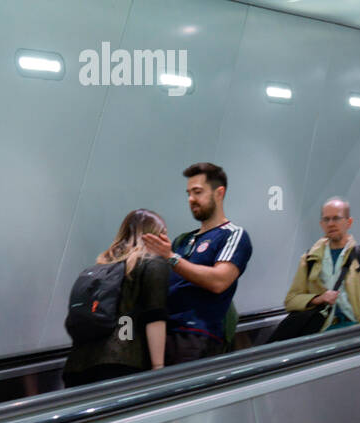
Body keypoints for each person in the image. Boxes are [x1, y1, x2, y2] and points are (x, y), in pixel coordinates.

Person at [142, 162, 253, 364]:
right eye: (188, 193)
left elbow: (219, 281)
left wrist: (171, 257)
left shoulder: (233, 235)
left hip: (197, 337)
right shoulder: (182, 240)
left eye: (198, 192)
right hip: (163, 335)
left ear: (219, 193)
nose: (191, 199)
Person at [63, 209, 170, 387]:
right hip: (121, 365)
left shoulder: (99, 267)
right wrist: (158, 367)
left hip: (76, 367)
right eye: (163, 234)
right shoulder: (153, 263)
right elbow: (155, 317)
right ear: (152, 236)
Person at [284, 197, 360, 329]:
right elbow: (291, 301)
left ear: (349, 222)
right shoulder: (310, 258)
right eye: (326, 219)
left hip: (355, 329)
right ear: (321, 224)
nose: (331, 224)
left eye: (336, 218)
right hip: (320, 331)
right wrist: (318, 298)